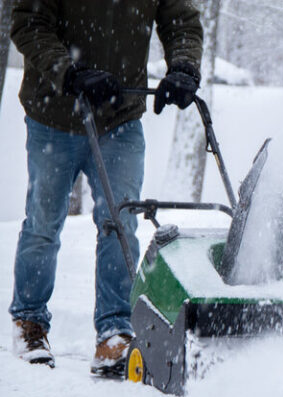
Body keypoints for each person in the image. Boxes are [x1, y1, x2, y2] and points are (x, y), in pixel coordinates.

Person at [8, 0, 203, 375]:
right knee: (44, 223)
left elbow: (182, 21)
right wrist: (69, 71)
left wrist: (183, 66)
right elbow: (30, 23)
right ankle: (29, 323)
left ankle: (115, 330)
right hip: (56, 113)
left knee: (120, 221)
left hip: (120, 115)